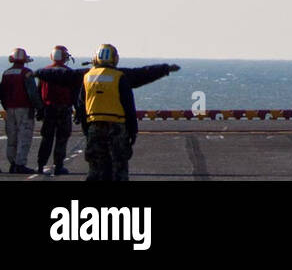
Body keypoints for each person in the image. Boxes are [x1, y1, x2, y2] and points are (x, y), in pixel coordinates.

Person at [75, 44, 179, 181]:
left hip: (95, 127)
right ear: (114, 58)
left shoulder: (87, 77)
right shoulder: (119, 77)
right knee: (119, 166)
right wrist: (133, 131)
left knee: (95, 168)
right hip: (117, 127)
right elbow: (129, 105)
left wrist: (86, 129)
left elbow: (81, 105)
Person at [35, 46, 77, 175]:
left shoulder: (44, 72)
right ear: (64, 56)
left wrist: (39, 110)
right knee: (62, 138)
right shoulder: (69, 73)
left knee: (46, 138)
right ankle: (58, 165)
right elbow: (75, 94)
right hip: (64, 109)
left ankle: (41, 165)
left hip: (48, 109)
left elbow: (39, 92)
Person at [2, 48, 42, 173]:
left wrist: (6, 106)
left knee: (12, 138)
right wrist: (39, 107)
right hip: (24, 109)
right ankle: (20, 164)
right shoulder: (27, 73)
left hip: (9, 109)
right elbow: (32, 93)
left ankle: (13, 163)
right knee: (24, 137)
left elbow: (2, 93)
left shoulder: (6, 73)